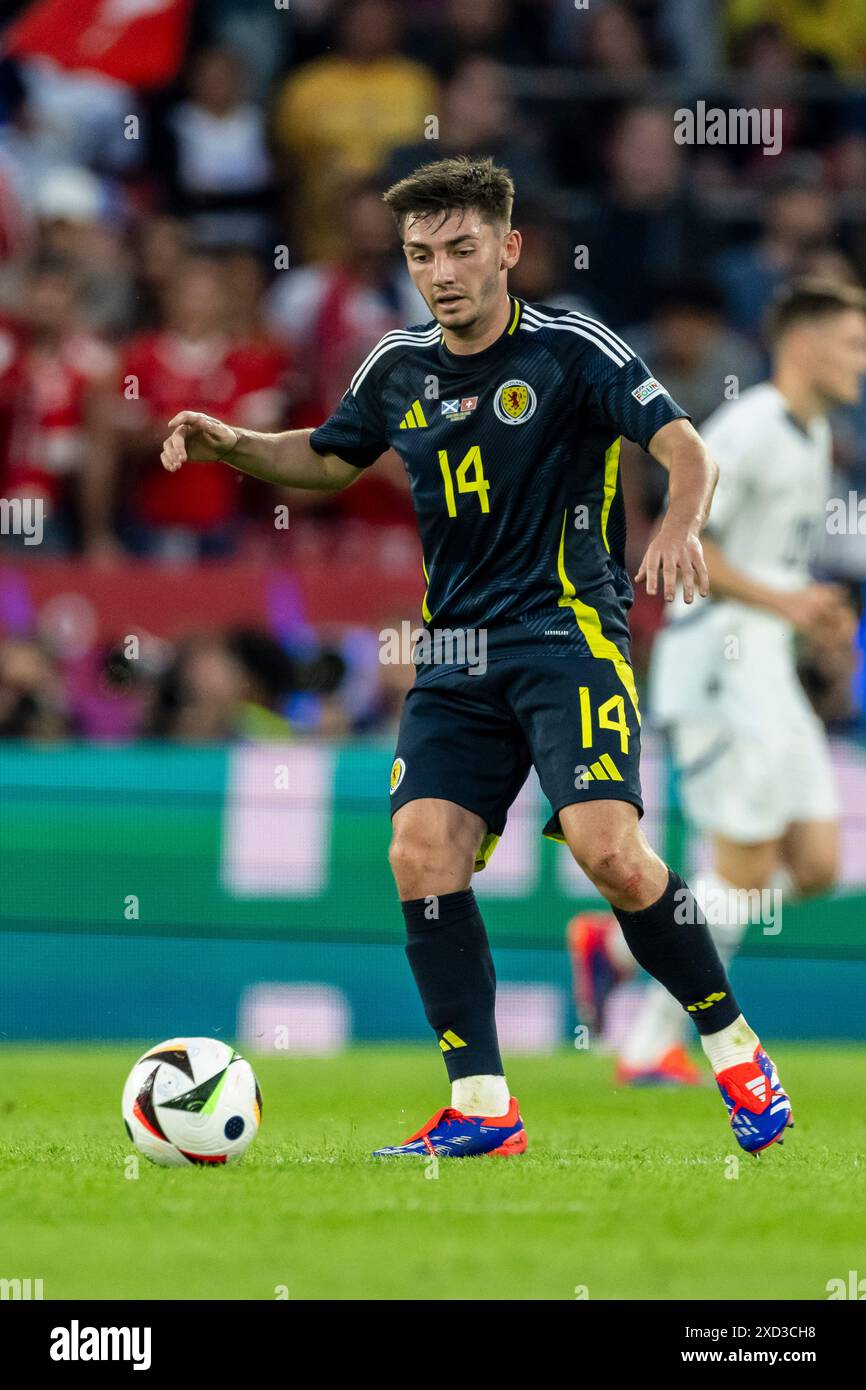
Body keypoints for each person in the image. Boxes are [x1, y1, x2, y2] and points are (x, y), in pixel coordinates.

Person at [160, 156, 794, 1158]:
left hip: (564, 637)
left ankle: (731, 1047)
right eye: (420, 254)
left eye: (460, 249)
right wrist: (229, 441)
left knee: (608, 852)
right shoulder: (396, 368)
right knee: (418, 853)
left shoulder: (570, 349)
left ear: (507, 249)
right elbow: (325, 457)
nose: (441, 272)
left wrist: (675, 526)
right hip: (453, 653)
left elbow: (685, 447)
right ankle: (482, 1106)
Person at [616, 279, 866, 1083]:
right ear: (803, 343)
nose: (862, 362)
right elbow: (687, 549)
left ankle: (623, 948)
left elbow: (769, 563)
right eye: (853, 344)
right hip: (718, 660)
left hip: (768, 664)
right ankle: (647, 1044)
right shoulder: (748, 426)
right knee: (747, 868)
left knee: (819, 864)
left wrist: (807, 614)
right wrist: (786, 601)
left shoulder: (814, 432)